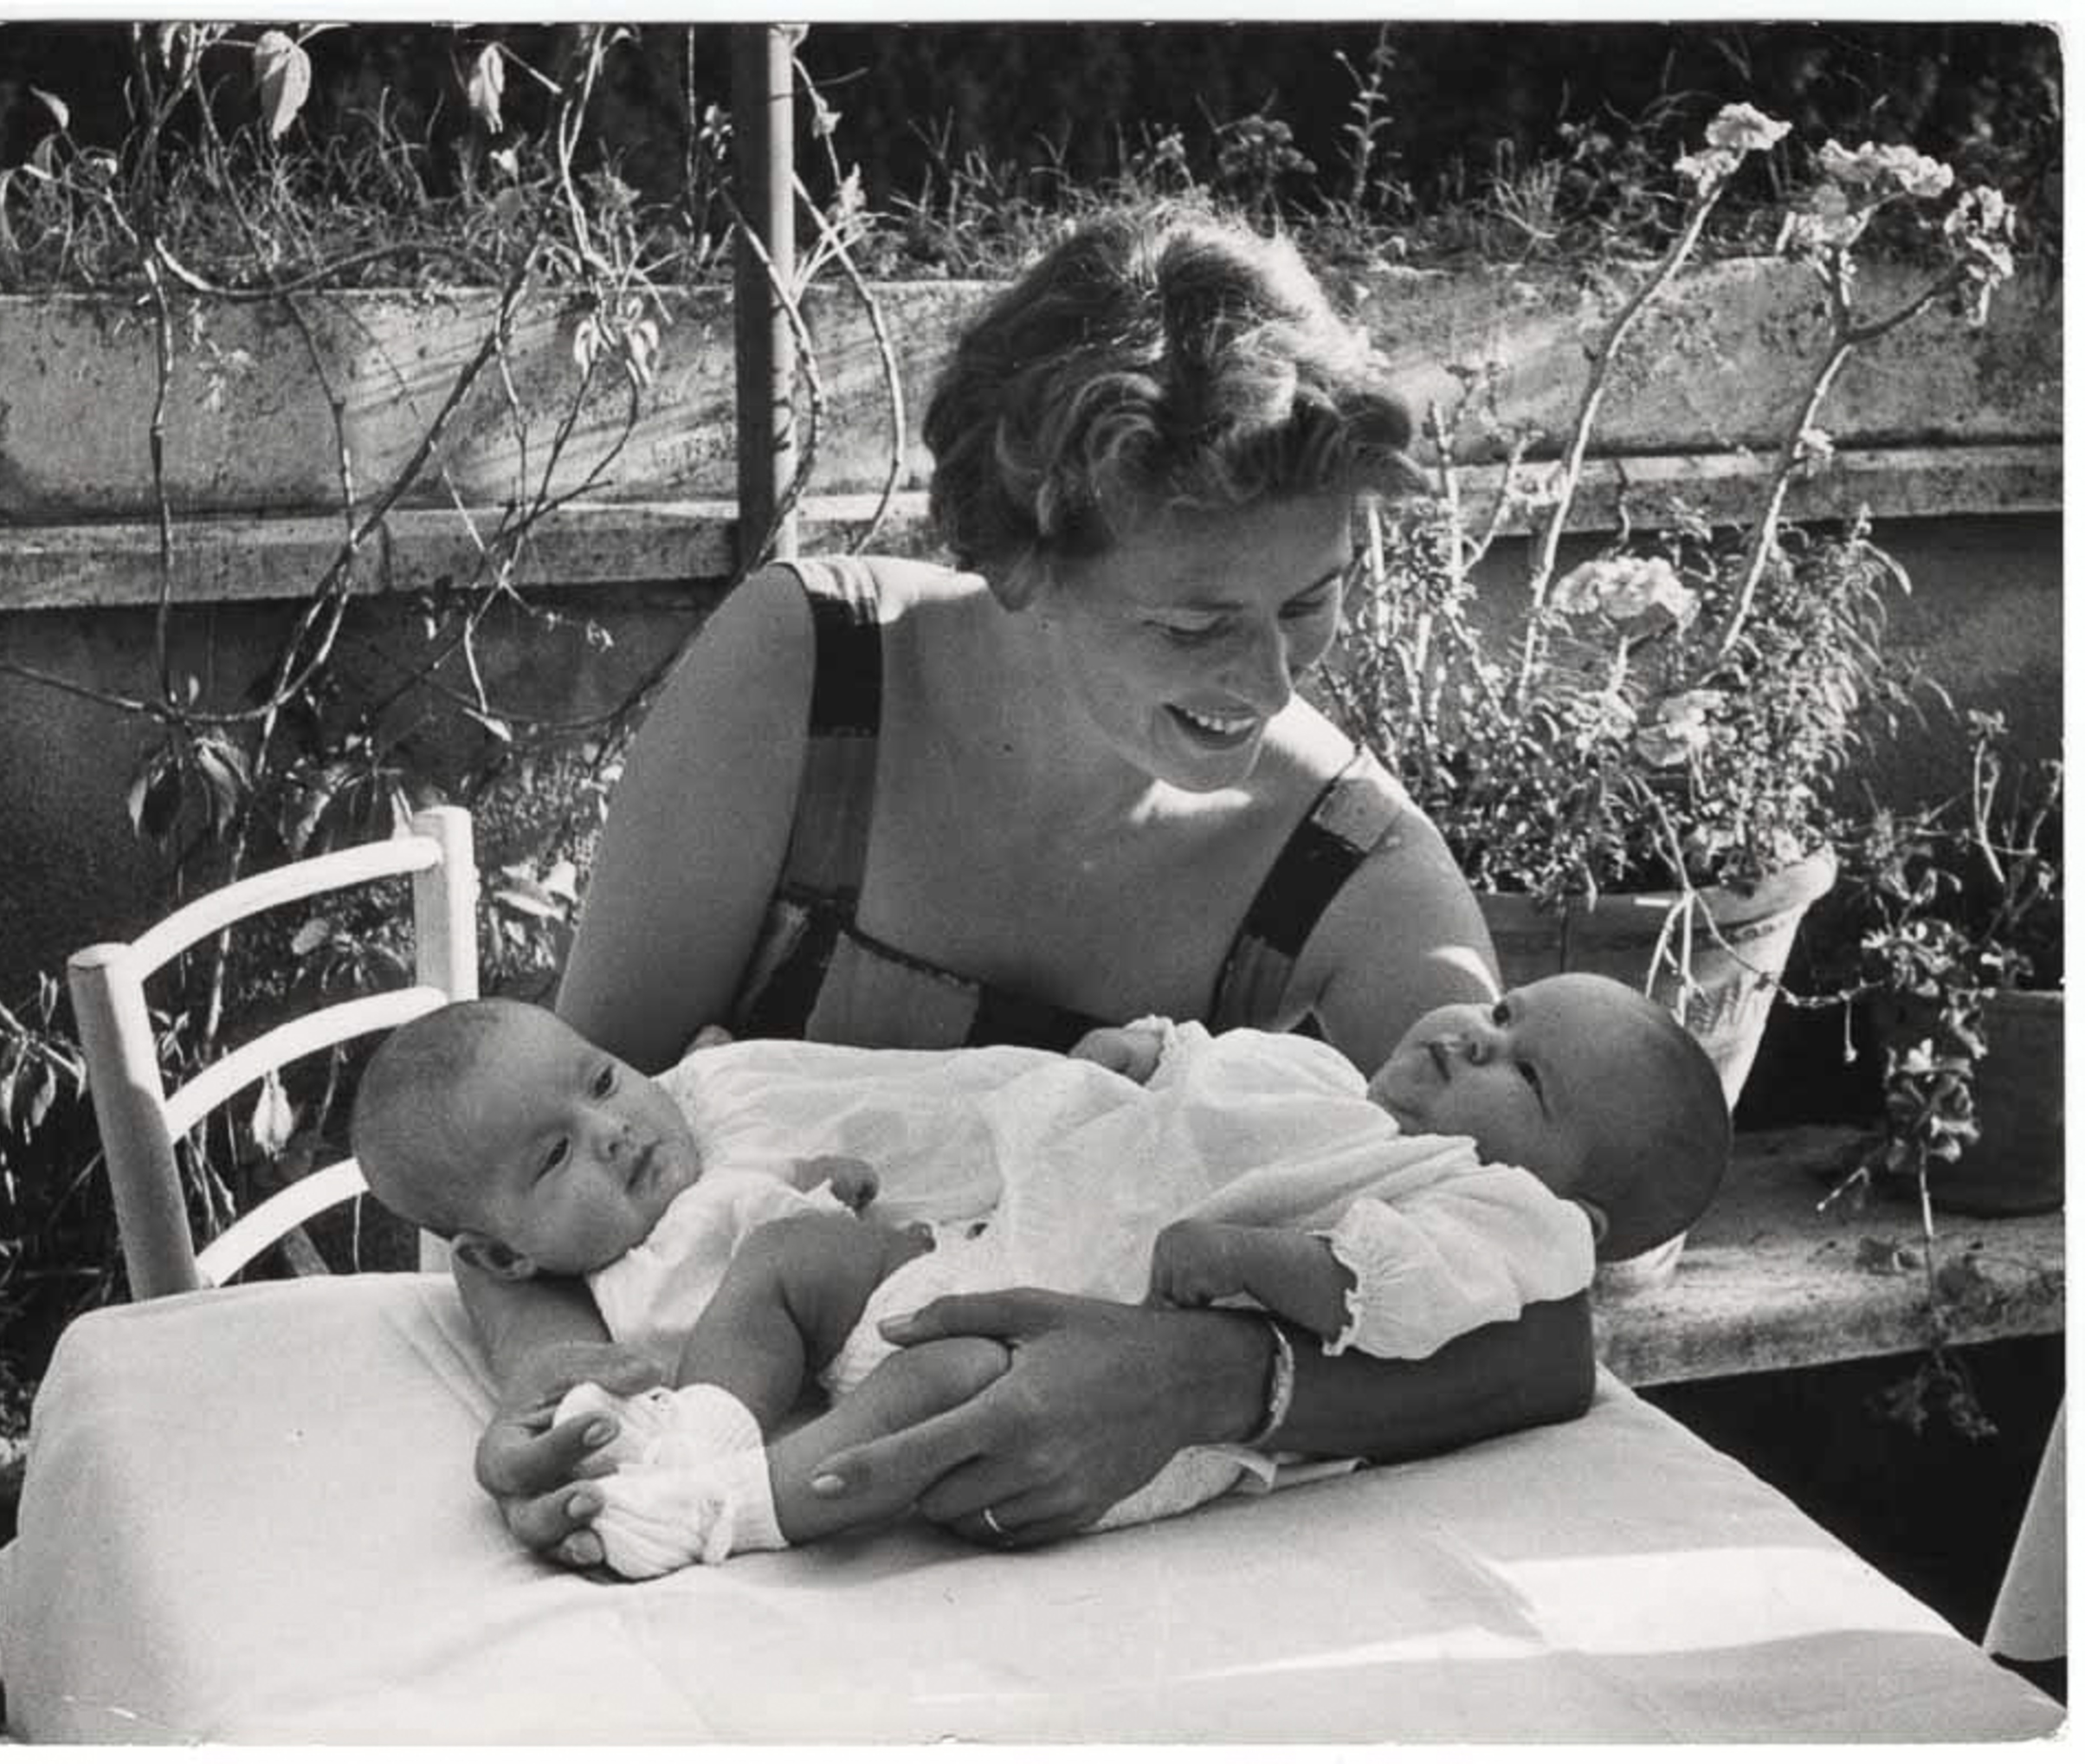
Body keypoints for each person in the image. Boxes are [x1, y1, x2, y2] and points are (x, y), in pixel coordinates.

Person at [468, 198, 1601, 1570]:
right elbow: (546, 1138)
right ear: (1016, 558)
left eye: (1310, 598)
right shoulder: (800, 681)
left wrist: (1205, 1376)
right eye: (1195, 622)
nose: (1270, 682)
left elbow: (1554, 1332)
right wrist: (554, 1375)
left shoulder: (1355, 879)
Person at [388, 978, 1719, 1572]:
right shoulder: (1330, 1076)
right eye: (1497, 1012)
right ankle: (707, 1425)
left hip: (1076, 1344)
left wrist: (1236, 1331)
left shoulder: (1453, 1183)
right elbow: (513, 1154)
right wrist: (546, 1357)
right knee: (795, 1259)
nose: (1469, 1036)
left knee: (939, 1391)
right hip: (969, 1250)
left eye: (1519, 1067)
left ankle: (732, 1508)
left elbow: (1527, 1326)